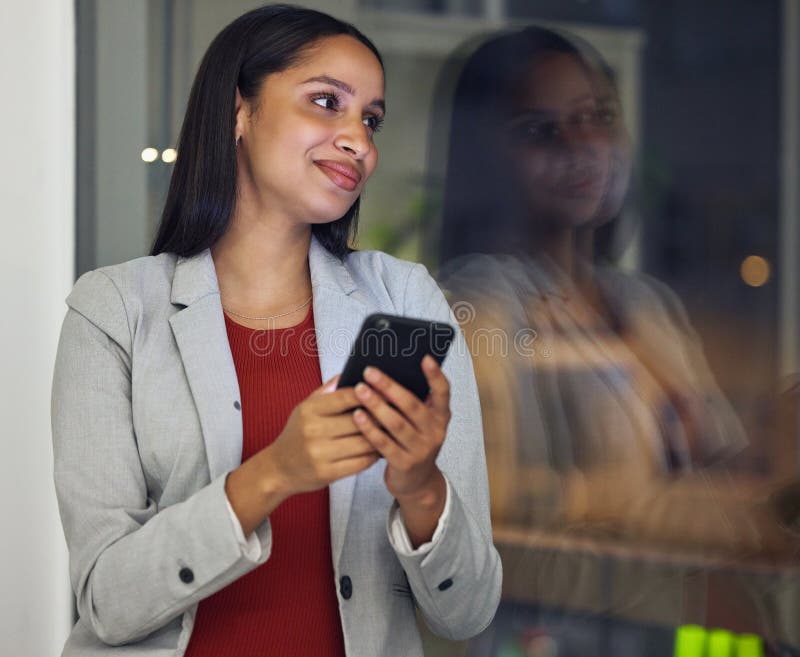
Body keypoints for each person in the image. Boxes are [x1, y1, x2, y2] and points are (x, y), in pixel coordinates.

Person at [51, 6, 501, 657]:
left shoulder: (403, 299)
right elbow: (106, 604)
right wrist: (274, 472)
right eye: (327, 102)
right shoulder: (114, 311)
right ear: (238, 110)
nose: (360, 141)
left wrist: (422, 489)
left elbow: (469, 613)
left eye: (371, 119)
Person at [432, 25, 798, 654]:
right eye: (539, 130)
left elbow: (721, 476)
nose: (581, 147)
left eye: (596, 117)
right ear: (484, 156)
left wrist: (781, 451)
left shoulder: (646, 303)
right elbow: (502, 545)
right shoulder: (475, 313)